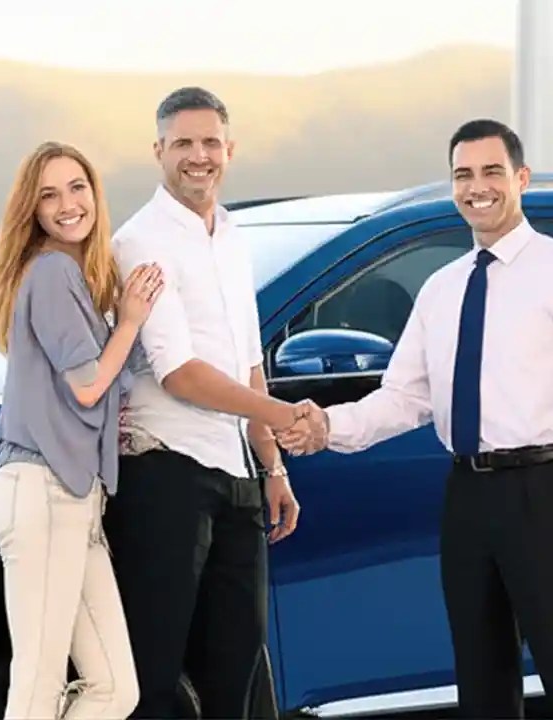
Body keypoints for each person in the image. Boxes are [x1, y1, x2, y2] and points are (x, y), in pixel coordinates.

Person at [279, 118, 553, 719]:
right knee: (481, 680)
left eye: (491, 172)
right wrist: (328, 427)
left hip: (552, 493)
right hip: (467, 495)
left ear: (521, 179)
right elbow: (404, 397)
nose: (476, 186)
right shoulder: (442, 289)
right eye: (463, 174)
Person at [102, 86, 320, 720]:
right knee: (157, 671)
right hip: (164, 477)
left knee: (237, 666)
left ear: (230, 149)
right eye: (183, 144)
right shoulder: (140, 242)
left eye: (210, 143)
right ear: (158, 151)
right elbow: (179, 374)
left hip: (235, 477)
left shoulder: (231, 235)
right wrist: (286, 416)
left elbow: (247, 360)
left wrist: (272, 465)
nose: (198, 156)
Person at [0, 140, 165, 720]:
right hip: (41, 489)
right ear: (30, 210)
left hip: (75, 502)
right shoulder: (53, 271)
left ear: (95, 193)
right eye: (49, 194)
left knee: (113, 688)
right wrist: (131, 321)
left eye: (77, 187)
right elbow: (87, 385)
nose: (67, 204)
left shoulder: (77, 282)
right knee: (36, 687)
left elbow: (105, 382)